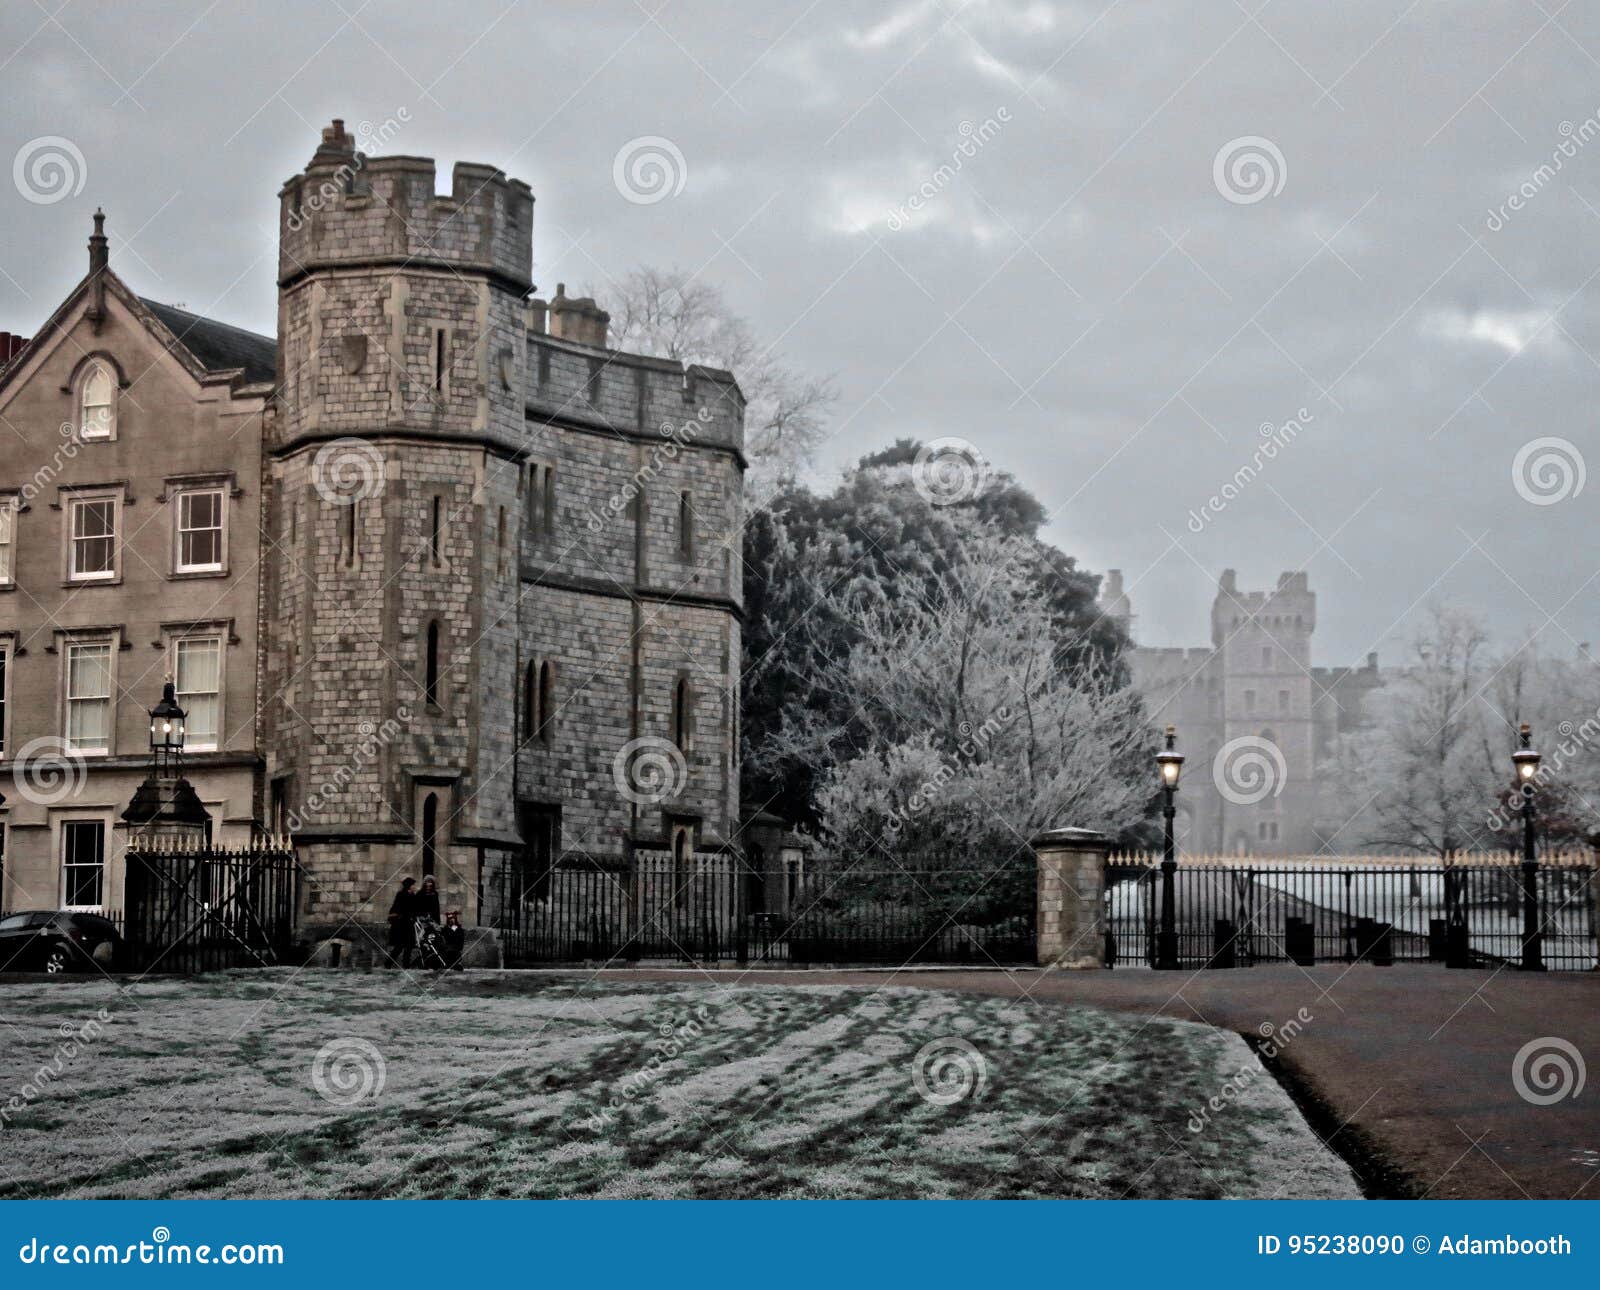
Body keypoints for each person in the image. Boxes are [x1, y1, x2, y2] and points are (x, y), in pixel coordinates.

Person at [387, 877, 418, 967]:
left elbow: (415, 909)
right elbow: (397, 908)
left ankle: (406, 965)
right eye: (413, 885)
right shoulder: (401, 895)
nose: (414, 887)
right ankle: (388, 963)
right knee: (399, 946)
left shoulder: (413, 896)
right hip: (401, 925)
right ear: (409, 886)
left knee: (409, 946)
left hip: (410, 924)